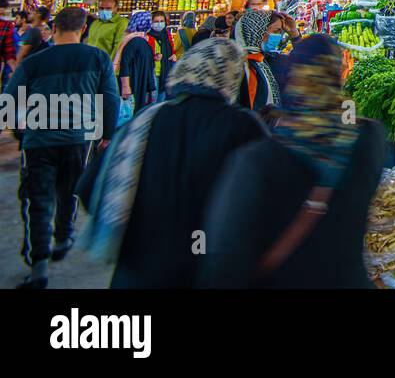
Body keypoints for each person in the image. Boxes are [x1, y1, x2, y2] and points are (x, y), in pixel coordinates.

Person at [196, 35, 384, 288]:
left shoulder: (259, 160)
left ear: (290, 78)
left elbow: (224, 261)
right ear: (338, 75)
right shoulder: (369, 140)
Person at [79, 38, 267, 288]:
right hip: (203, 267)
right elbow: (265, 200)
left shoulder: (144, 121)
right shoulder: (242, 127)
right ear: (232, 75)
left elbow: (90, 188)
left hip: (138, 270)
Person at [3, 6, 120, 288]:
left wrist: (20, 129)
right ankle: (63, 236)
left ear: (53, 29)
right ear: (83, 30)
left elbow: (9, 101)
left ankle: (39, 266)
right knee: (69, 191)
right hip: (79, 138)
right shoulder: (98, 58)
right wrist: (106, 135)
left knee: (37, 199)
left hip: (39, 140)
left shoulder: (34, 62)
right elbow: (111, 99)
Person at [232, 8, 281, 110]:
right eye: (276, 31)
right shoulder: (241, 67)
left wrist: (294, 33)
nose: (279, 36)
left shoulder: (262, 60)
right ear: (258, 32)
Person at [116, 11, 159, 113]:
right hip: (134, 85)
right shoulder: (135, 40)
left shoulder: (136, 39)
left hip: (137, 83)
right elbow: (125, 63)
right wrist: (126, 86)